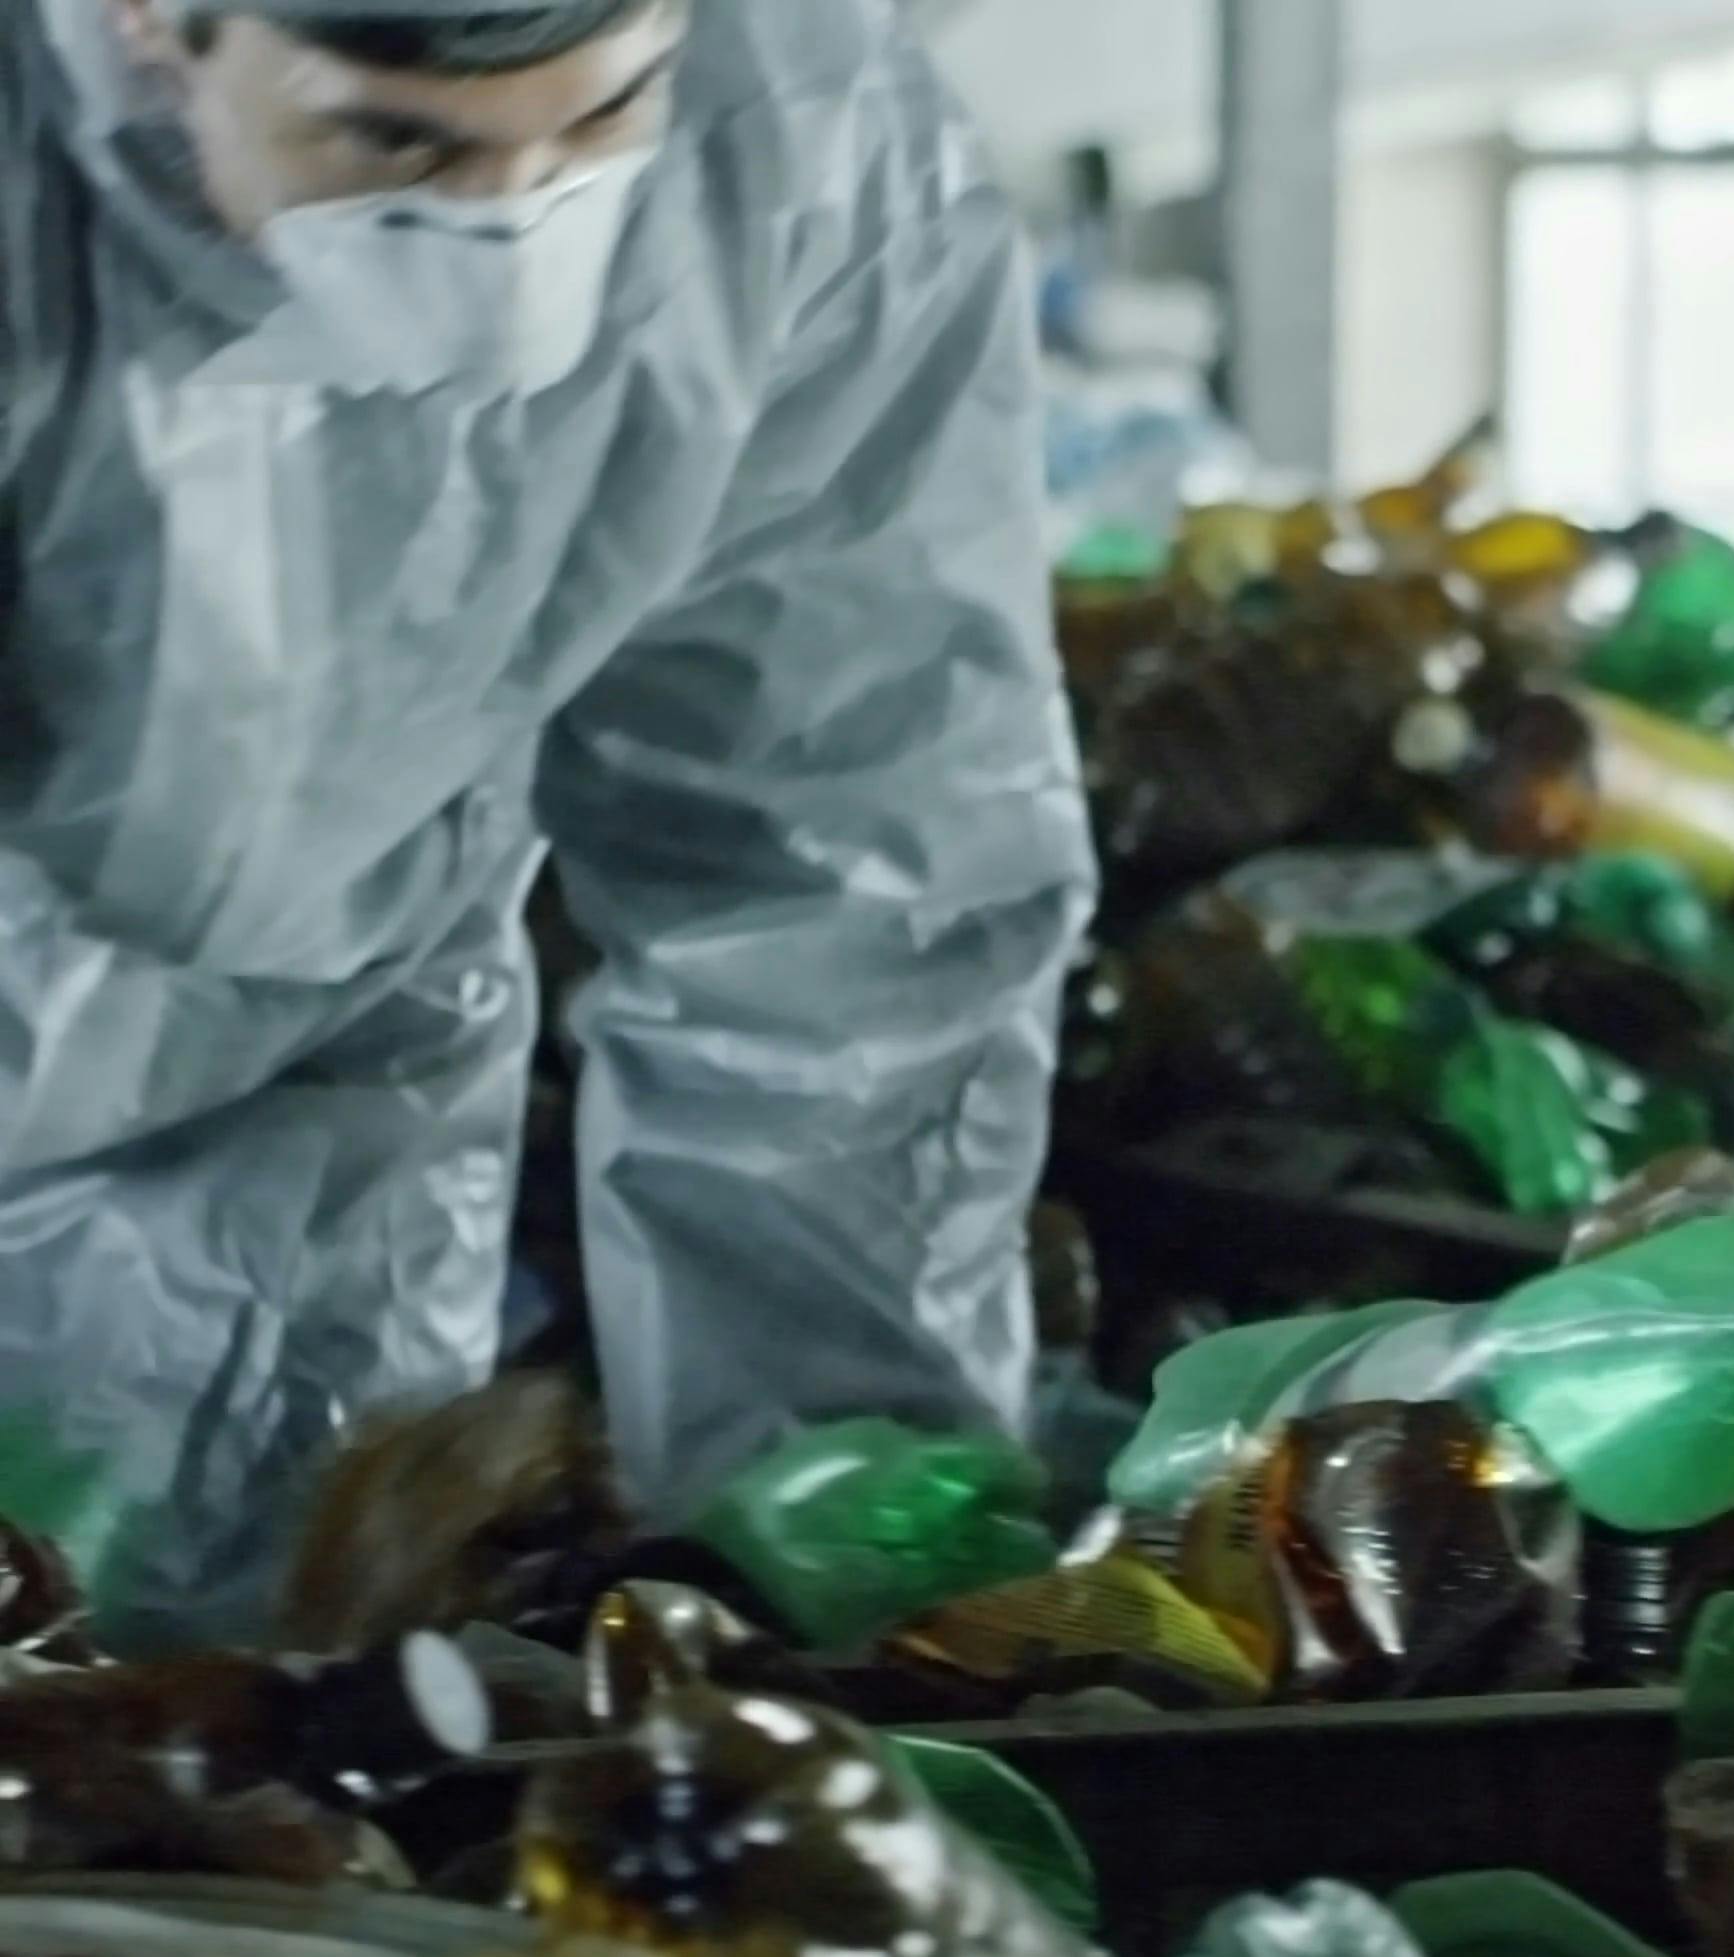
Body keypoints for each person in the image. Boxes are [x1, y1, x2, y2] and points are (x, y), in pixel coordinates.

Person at [0, 0, 1095, 1643]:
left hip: (307, 1172)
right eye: (398, 143)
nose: (510, 235)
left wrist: (843, 1516)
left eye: (600, 125)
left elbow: (845, 880)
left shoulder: (801, 153)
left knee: (261, 1783)